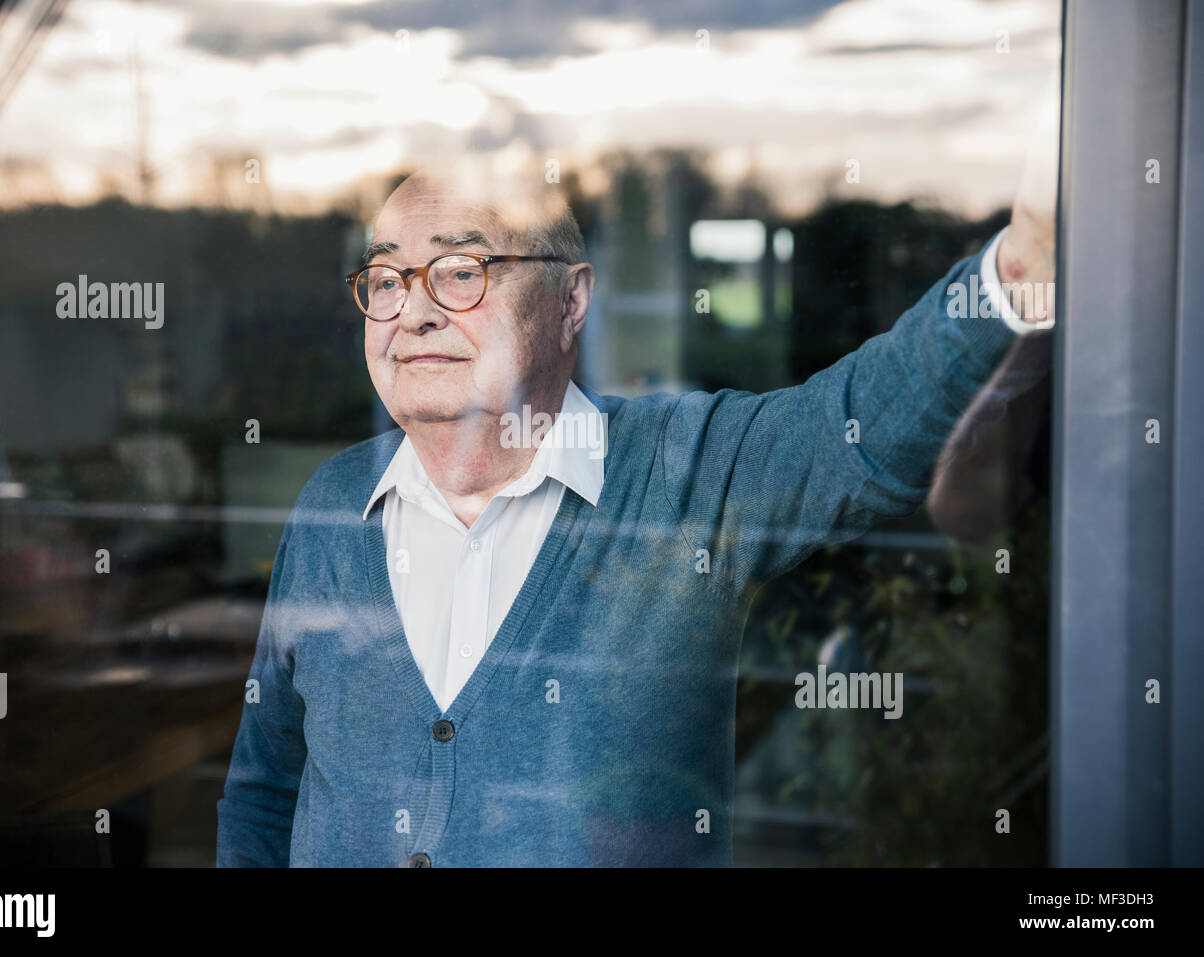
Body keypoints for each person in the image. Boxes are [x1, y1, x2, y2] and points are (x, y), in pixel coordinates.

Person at [216, 156, 1055, 867]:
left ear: (571, 301)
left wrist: (1017, 267)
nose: (416, 309)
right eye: (388, 277)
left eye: (462, 271)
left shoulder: (684, 476)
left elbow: (858, 426)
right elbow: (263, 790)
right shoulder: (331, 505)